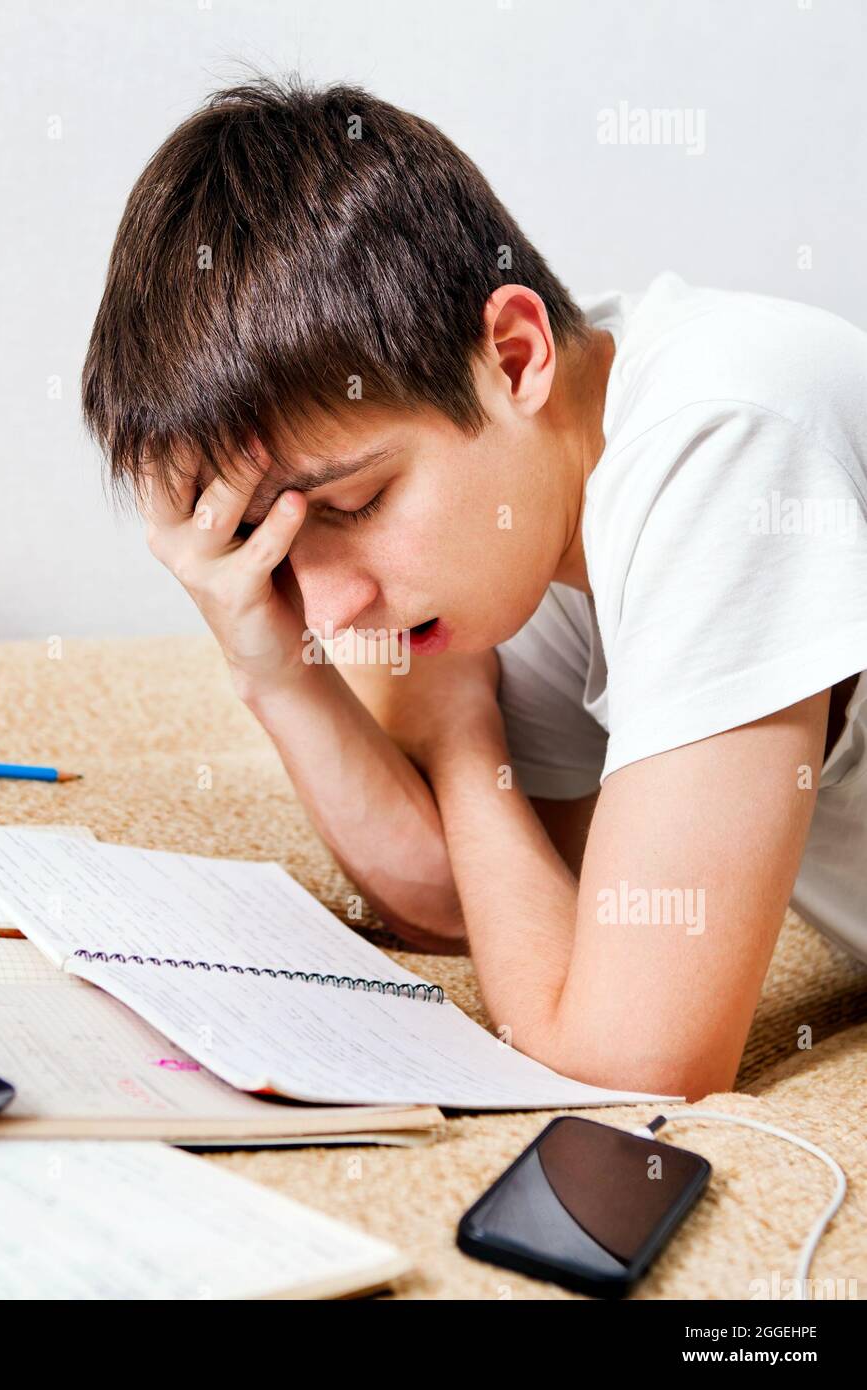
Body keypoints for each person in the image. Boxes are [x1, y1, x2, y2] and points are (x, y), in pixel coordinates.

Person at [82, 75, 867, 1101]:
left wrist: (456, 729)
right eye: (276, 552)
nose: (331, 612)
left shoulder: (722, 443)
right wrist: (273, 667)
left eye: (352, 503)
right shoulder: (530, 502)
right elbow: (473, 906)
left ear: (513, 353)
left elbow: (633, 1060)